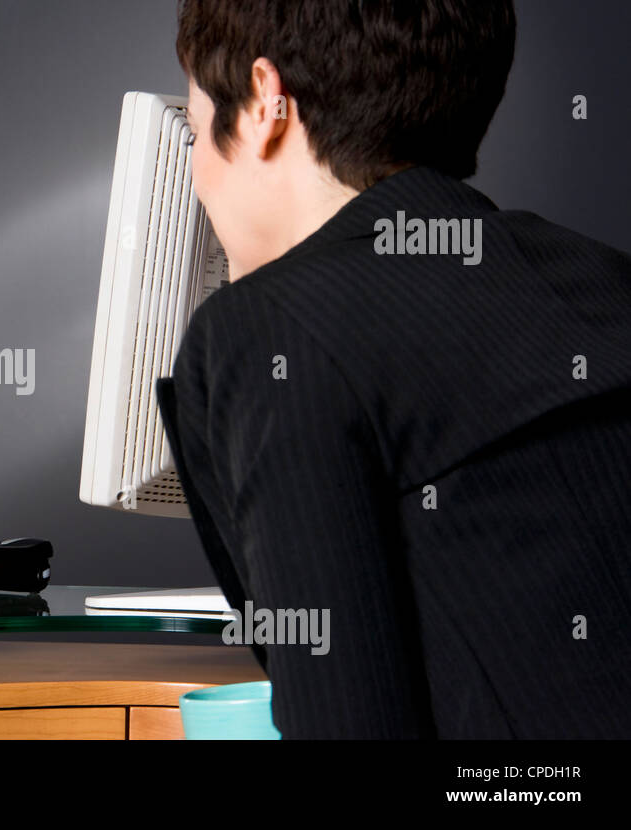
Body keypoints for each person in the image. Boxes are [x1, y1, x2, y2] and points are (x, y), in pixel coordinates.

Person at [158, 0, 631, 738]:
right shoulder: (608, 278)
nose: (195, 173)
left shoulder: (274, 330)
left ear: (263, 105)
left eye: (193, 131)